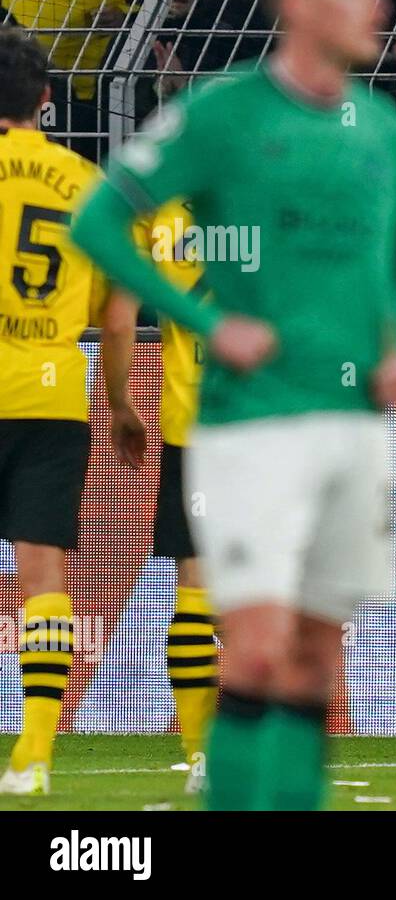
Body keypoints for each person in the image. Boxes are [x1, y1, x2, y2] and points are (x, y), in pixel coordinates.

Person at [69, 0, 396, 810]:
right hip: (247, 427)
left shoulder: (389, 132)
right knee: (251, 651)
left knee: (317, 659)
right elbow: (97, 223)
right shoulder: (221, 114)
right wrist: (207, 322)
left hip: (354, 427)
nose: (379, 3)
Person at [0, 27, 131, 796]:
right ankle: (35, 757)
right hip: (53, 392)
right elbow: (113, 316)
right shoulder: (87, 185)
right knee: (42, 572)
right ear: (47, 100)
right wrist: (118, 402)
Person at [98, 199, 218, 795]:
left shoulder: (162, 210)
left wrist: (119, 402)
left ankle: (202, 757)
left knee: (196, 589)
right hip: (273, 425)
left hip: (193, 430)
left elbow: (120, 316)